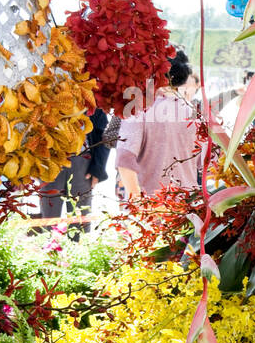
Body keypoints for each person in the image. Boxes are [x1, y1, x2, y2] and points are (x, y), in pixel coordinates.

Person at [115, 50, 205, 199]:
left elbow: (124, 159)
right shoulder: (196, 113)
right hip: (188, 206)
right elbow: (208, 163)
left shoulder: (140, 110)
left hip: (151, 208)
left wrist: (137, 202)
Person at [38, 107, 111, 228]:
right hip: (49, 159)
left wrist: (98, 168)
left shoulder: (90, 94)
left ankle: (79, 245)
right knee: (49, 221)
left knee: (80, 223)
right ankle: (48, 246)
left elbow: (101, 132)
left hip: (82, 162)